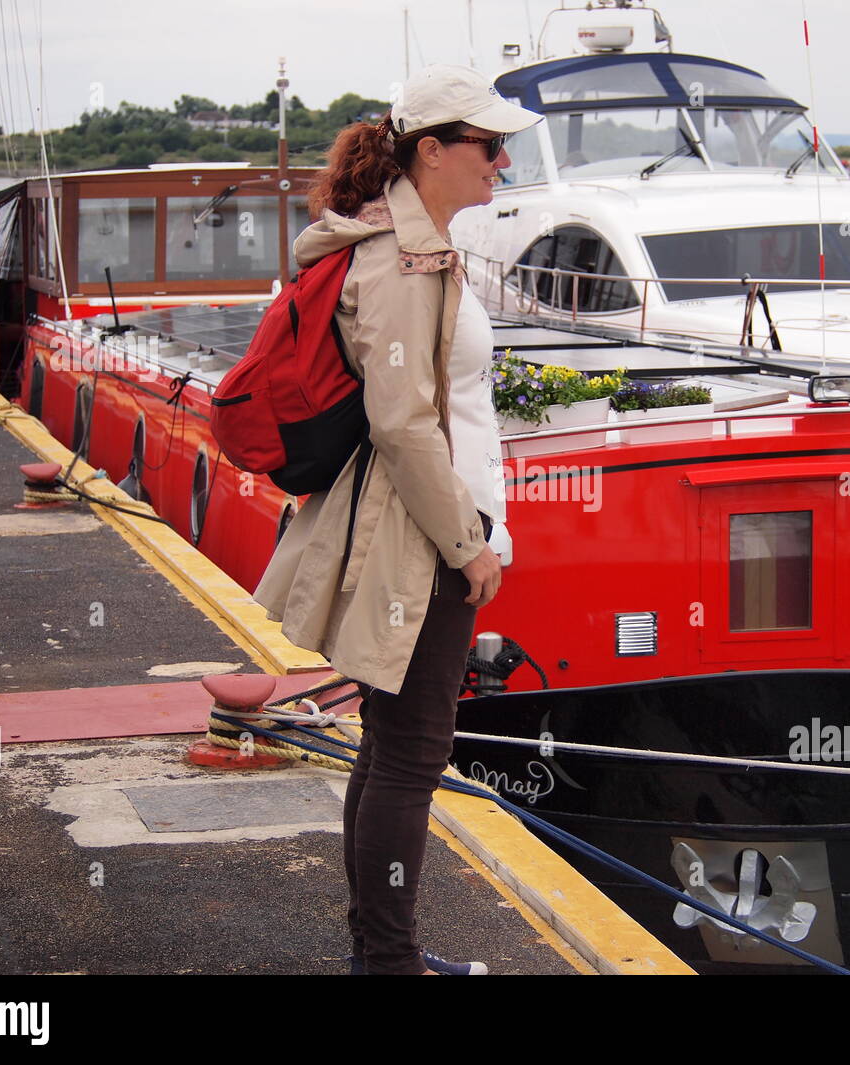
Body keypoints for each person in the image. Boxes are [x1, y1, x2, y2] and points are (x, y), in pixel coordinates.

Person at [253, 65, 541, 975]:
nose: (502, 160)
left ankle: (381, 953)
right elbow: (402, 421)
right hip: (424, 538)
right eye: (487, 145)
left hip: (428, 522)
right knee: (412, 751)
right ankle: (388, 960)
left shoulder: (413, 243)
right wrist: (471, 544)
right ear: (431, 152)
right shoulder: (401, 260)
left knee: (390, 745)